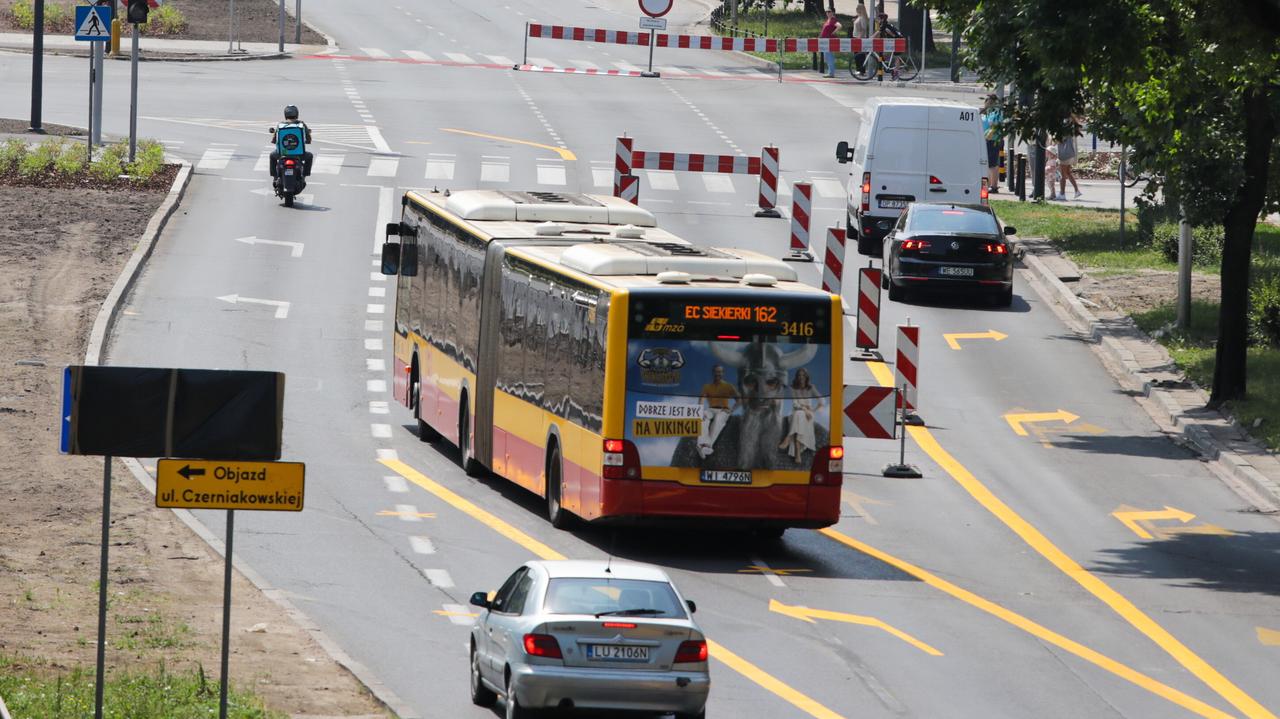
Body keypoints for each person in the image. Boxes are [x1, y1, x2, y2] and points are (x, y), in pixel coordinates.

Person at [778, 369, 823, 464]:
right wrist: (805, 409)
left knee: (799, 416)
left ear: (806, 377)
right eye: (799, 375)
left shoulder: (811, 387)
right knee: (798, 415)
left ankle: (788, 438)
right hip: (797, 412)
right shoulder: (793, 388)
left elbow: (821, 401)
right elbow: (795, 404)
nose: (801, 377)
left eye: (803, 375)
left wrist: (813, 411)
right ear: (797, 377)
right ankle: (797, 453)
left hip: (807, 414)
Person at [697, 365, 738, 458]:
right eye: (716, 371)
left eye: (720, 372)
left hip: (723, 410)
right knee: (703, 417)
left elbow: (739, 400)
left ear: (723, 373)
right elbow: (701, 400)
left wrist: (731, 410)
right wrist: (700, 411)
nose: (718, 374)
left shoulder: (728, 386)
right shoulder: (707, 387)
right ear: (713, 373)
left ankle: (708, 446)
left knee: (719, 419)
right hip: (711, 409)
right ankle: (701, 444)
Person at [269, 105, 313, 181]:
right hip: (299, 154)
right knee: (309, 156)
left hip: (282, 153)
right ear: (296, 114)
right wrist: (307, 141)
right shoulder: (301, 124)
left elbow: (274, 140)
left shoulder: (280, 125)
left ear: (285, 114)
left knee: (272, 156)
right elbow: (308, 138)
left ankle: (275, 177)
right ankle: (305, 176)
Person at [981, 94, 1003, 193]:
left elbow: (994, 126)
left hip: (993, 139)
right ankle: (989, 184)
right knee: (988, 163)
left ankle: (994, 186)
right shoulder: (986, 112)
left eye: (989, 101)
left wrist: (989, 133)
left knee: (992, 164)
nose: (987, 103)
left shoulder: (996, 112)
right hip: (985, 139)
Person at [1057, 119, 1082, 198]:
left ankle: (1062, 193)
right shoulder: (1073, 127)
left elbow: (1060, 139)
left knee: (1062, 174)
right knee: (1068, 172)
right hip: (1071, 153)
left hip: (1065, 154)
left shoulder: (1065, 126)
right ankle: (1076, 190)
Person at [819, 10, 841, 78]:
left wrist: (834, 32)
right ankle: (830, 72)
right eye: (827, 12)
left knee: (829, 56)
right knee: (827, 56)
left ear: (832, 13)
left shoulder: (833, 20)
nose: (828, 13)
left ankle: (831, 73)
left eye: (829, 12)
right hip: (825, 41)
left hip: (829, 41)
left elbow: (839, 26)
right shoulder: (828, 20)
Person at [851, 2, 870, 73]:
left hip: (860, 38)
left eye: (858, 8)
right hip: (856, 37)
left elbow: (863, 29)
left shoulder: (862, 18)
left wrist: (859, 38)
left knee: (859, 55)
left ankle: (861, 70)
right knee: (857, 54)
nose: (856, 9)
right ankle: (859, 69)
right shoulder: (859, 17)